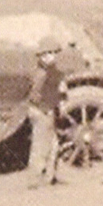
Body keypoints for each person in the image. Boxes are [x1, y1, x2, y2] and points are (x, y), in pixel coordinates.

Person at [25, 37, 66, 188]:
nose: (52, 56)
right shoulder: (40, 73)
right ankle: (34, 180)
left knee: (53, 145)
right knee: (41, 147)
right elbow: (34, 95)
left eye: (54, 53)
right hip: (41, 112)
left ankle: (49, 178)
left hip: (47, 111)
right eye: (49, 54)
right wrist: (47, 110)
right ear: (43, 55)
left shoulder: (50, 70)